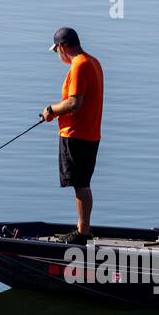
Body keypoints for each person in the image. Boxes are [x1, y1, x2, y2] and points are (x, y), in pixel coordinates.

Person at [41, 27, 104, 245]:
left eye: (57, 50)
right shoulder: (93, 61)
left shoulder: (80, 66)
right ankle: (83, 228)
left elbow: (74, 103)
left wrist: (51, 110)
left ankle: (82, 232)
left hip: (77, 134)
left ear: (63, 47)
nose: (58, 55)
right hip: (90, 132)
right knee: (82, 182)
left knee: (80, 183)